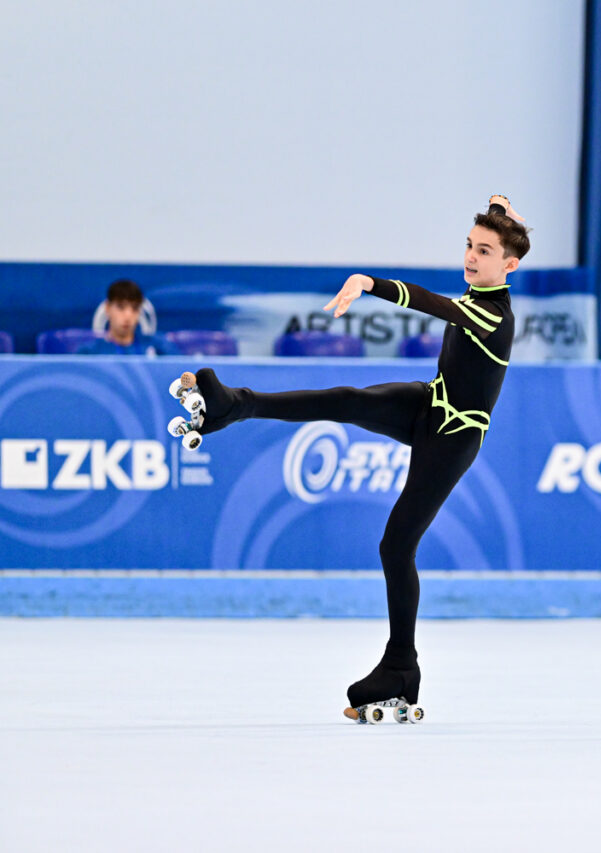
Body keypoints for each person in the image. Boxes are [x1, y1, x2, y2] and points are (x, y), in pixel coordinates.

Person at [181, 195, 530, 717]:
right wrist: (498, 208)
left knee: (396, 545)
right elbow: (499, 222)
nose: (471, 256)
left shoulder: (492, 315)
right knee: (347, 399)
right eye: (468, 245)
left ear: (509, 265)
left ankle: (401, 666)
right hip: (430, 403)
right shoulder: (484, 280)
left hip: (455, 434)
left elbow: (435, 304)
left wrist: (372, 284)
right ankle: (234, 405)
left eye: (485, 250)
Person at [76, 279, 177, 355]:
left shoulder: (159, 346)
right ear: (107, 308)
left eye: (134, 308)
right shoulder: (90, 352)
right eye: (121, 307)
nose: (128, 316)